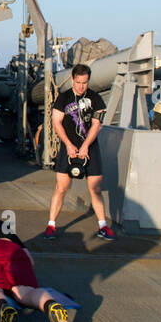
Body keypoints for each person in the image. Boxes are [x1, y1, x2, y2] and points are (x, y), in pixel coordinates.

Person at [44, 63, 114, 240]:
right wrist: (68, 144)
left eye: (84, 82)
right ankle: (51, 226)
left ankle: (103, 226)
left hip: (90, 148)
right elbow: (56, 122)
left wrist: (85, 146)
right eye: (78, 82)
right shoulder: (64, 98)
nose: (81, 86)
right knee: (61, 187)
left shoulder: (96, 98)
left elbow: (97, 124)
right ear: (73, 80)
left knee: (95, 188)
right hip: (68, 148)